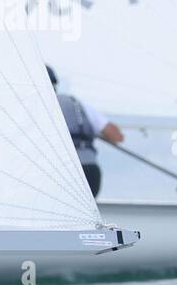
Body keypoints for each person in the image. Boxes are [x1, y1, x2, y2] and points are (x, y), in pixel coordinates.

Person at [47, 65, 124, 198]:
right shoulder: (76, 103)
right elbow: (117, 136)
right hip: (91, 171)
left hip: (63, 175)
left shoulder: (37, 107)